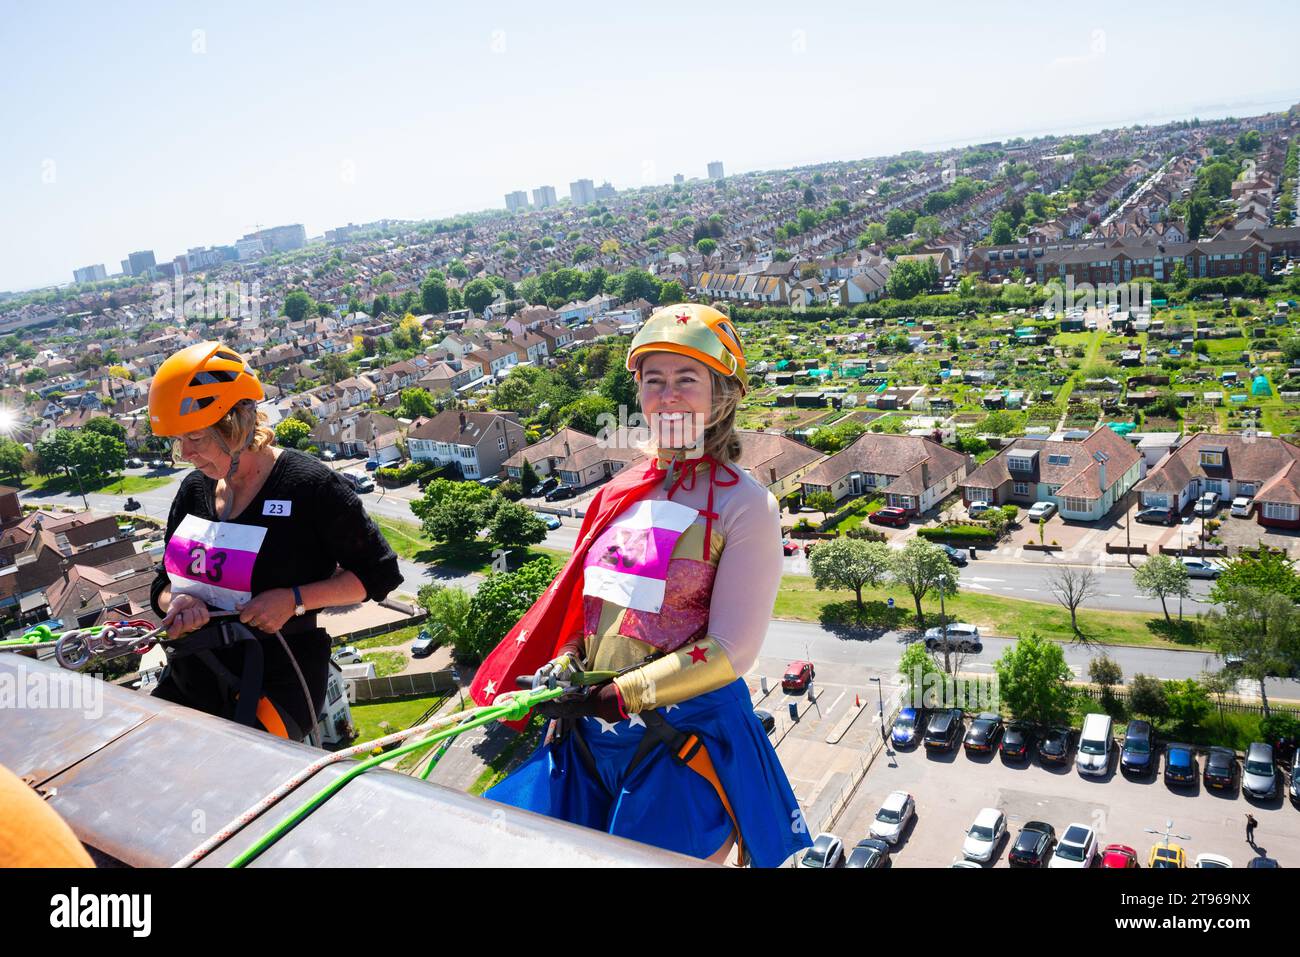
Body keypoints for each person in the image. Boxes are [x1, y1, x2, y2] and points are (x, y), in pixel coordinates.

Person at [473, 303, 812, 867]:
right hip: (595, 736)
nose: (668, 395)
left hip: (681, 741)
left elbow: (733, 650)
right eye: (654, 381)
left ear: (722, 394)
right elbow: (597, 609)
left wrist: (621, 694)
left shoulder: (744, 503)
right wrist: (569, 662)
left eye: (687, 379)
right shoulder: (625, 490)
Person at [146, 342, 402, 741]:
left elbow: (379, 573)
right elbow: (164, 581)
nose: (186, 452)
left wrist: (293, 599)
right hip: (195, 672)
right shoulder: (193, 492)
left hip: (275, 681)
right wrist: (176, 603)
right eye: (178, 441)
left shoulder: (309, 486)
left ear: (235, 425)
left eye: (195, 437)